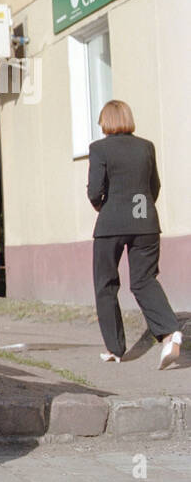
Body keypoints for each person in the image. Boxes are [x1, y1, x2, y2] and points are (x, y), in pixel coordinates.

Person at [87, 99, 182, 368]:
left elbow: (95, 190)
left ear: (106, 122)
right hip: (146, 224)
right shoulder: (146, 147)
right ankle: (170, 331)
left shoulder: (99, 149)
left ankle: (115, 349)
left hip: (111, 225)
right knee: (144, 281)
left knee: (105, 285)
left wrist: (102, 206)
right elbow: (154, 187)